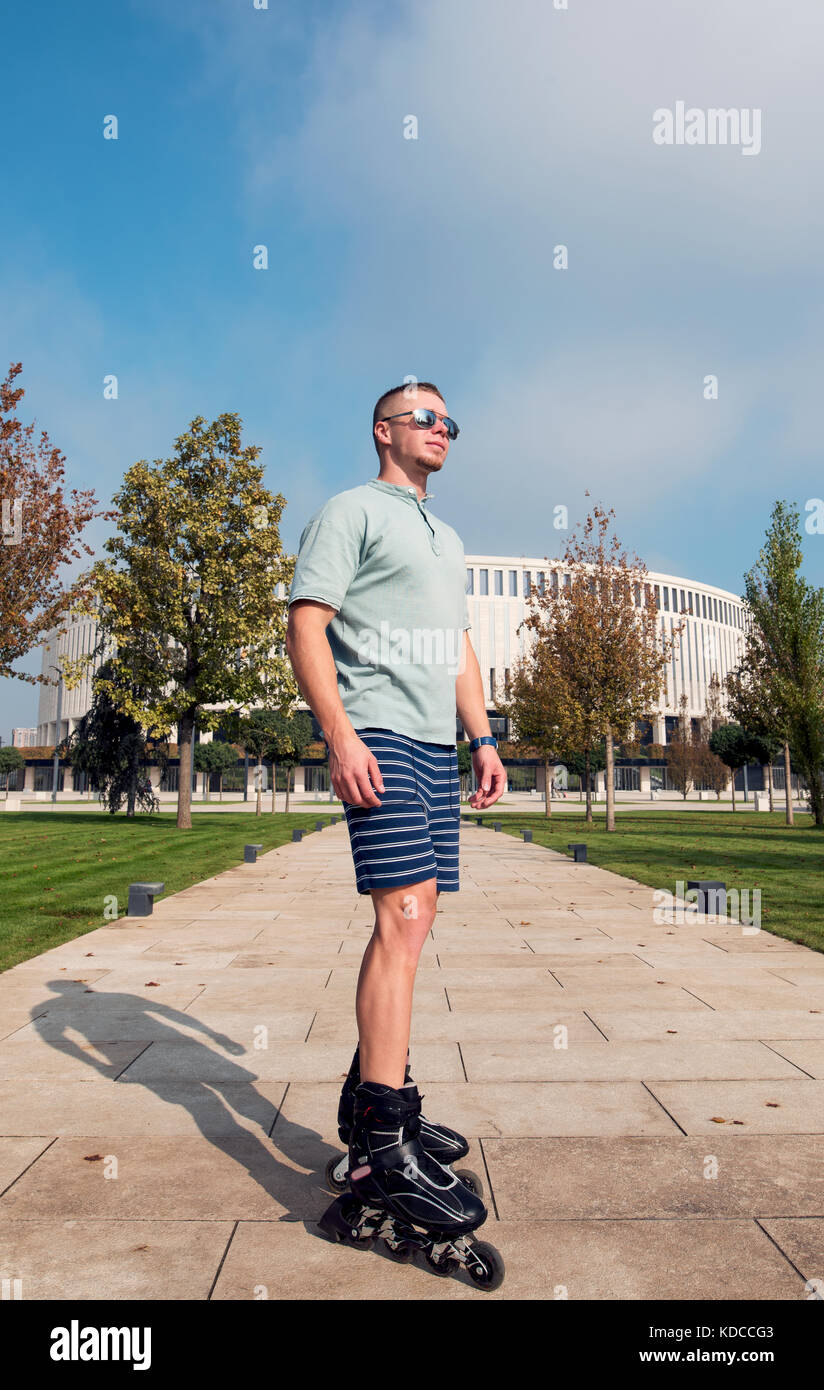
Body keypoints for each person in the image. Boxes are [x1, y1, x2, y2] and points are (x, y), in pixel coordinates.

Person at [285, 381, 506, 1209]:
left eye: (450, 421)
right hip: (374, 731)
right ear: (384, 431)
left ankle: (376, 1099)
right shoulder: (351, 512)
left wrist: (482, 739)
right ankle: (384, 1144)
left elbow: (456, 647)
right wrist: (338, 735)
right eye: (425, 418)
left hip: (432, 745)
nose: (441, 429)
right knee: (400, 915)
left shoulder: (446, 537)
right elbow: (307, 622)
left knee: (419, 922)